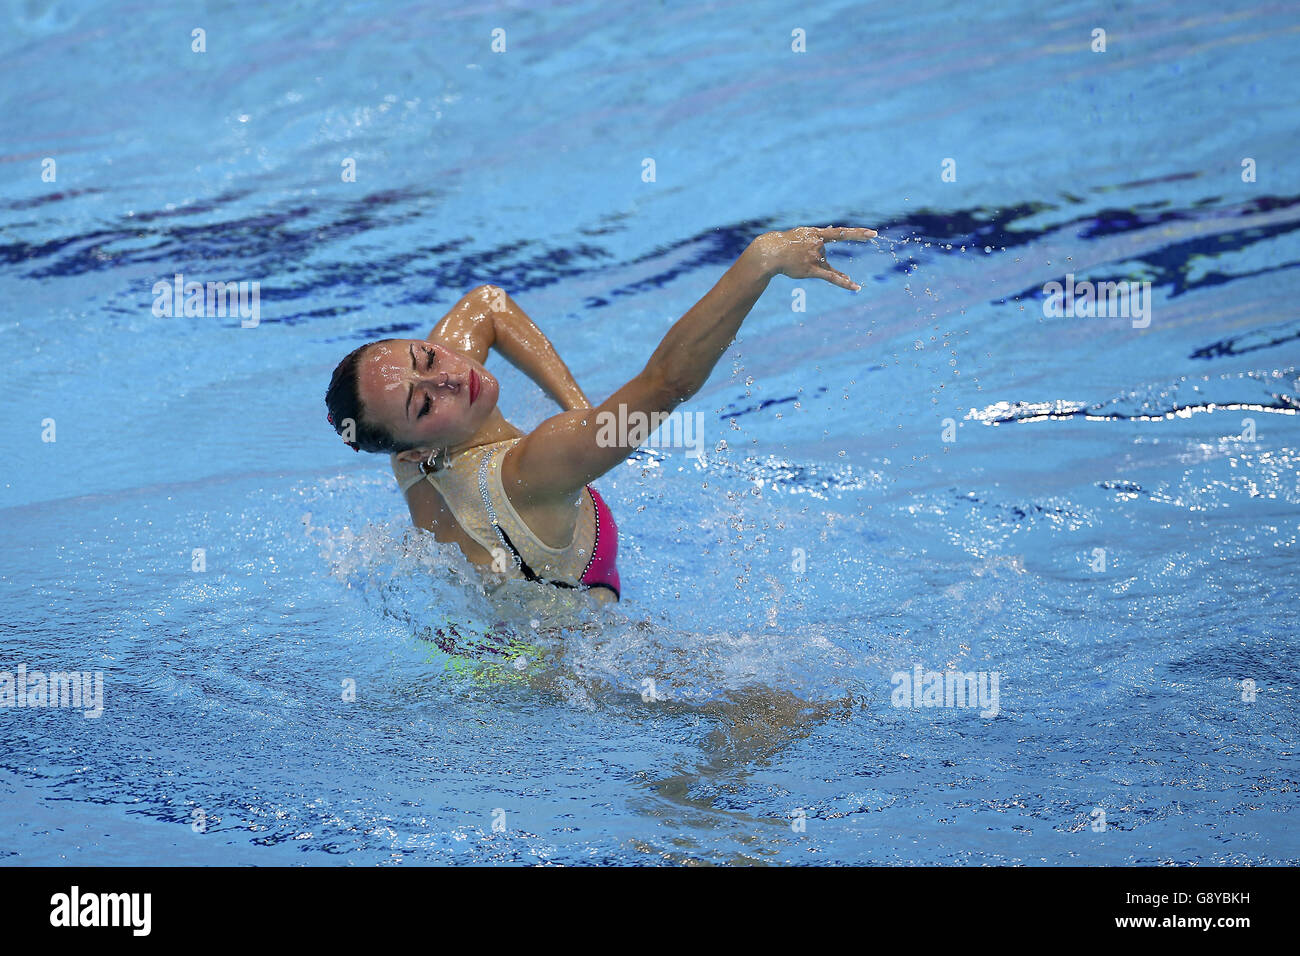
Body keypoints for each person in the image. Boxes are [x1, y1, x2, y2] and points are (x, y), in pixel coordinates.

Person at [325, 225, 877, 604]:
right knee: (758, 714)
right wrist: (759, 263)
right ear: (415, 448)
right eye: (423, 403)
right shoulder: (532, 469)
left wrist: (581, 410)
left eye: (425, 356)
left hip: (475, 619)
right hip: (555, 659)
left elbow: (486, 304)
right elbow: (667, 386)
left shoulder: (408, 446)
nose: (448, 375)